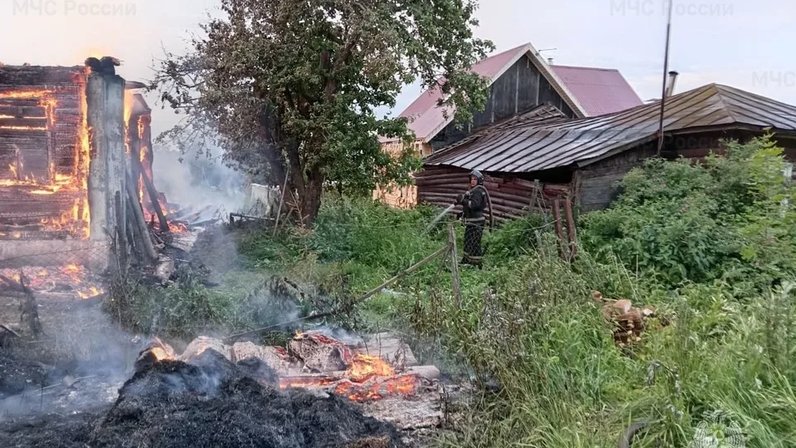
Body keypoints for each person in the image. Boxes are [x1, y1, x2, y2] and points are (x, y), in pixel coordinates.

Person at [456, 169, 488, 267]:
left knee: (474, 243)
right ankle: (466, 260)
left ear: (479, 180)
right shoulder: (472, 191)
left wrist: (463, 201)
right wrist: (461, 213)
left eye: (475, 179)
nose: (472, 181)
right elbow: (469, 207)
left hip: (477, 222)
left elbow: (474, 205)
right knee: (467, 242)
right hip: (471, 221)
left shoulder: (478, 191)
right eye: (471, 179)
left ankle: (476, 264)